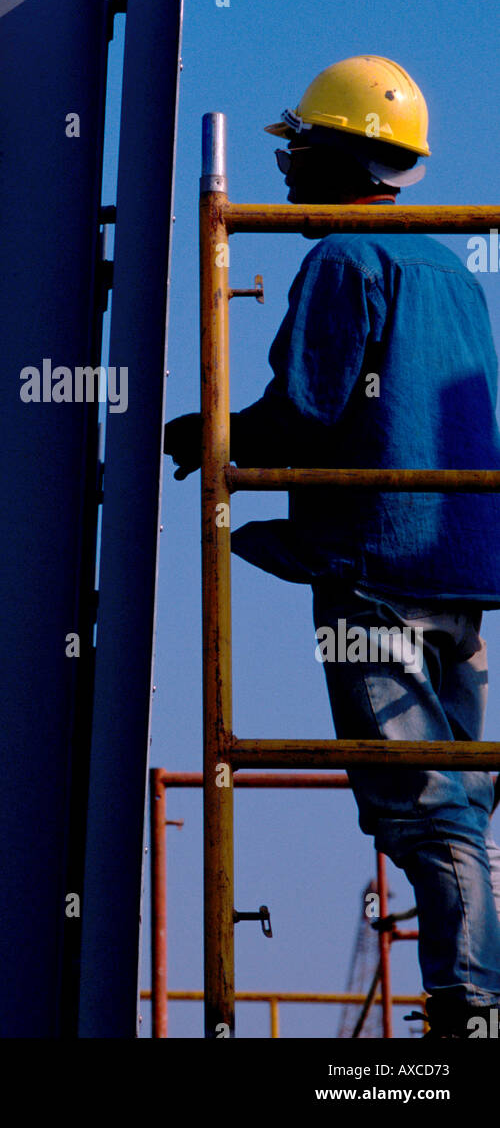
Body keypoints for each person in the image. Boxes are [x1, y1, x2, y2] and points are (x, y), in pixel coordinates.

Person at [165, 56, 500, 1038]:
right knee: (465, 800)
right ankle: (471, 995)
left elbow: (308, 413)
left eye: (297, 148)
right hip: (461, 577)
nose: (283, 171)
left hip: (377, 577)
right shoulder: (448, 264)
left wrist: (205, 437)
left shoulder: (345, 258)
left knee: (425, 805)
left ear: (340, 153)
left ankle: (467, 1007)